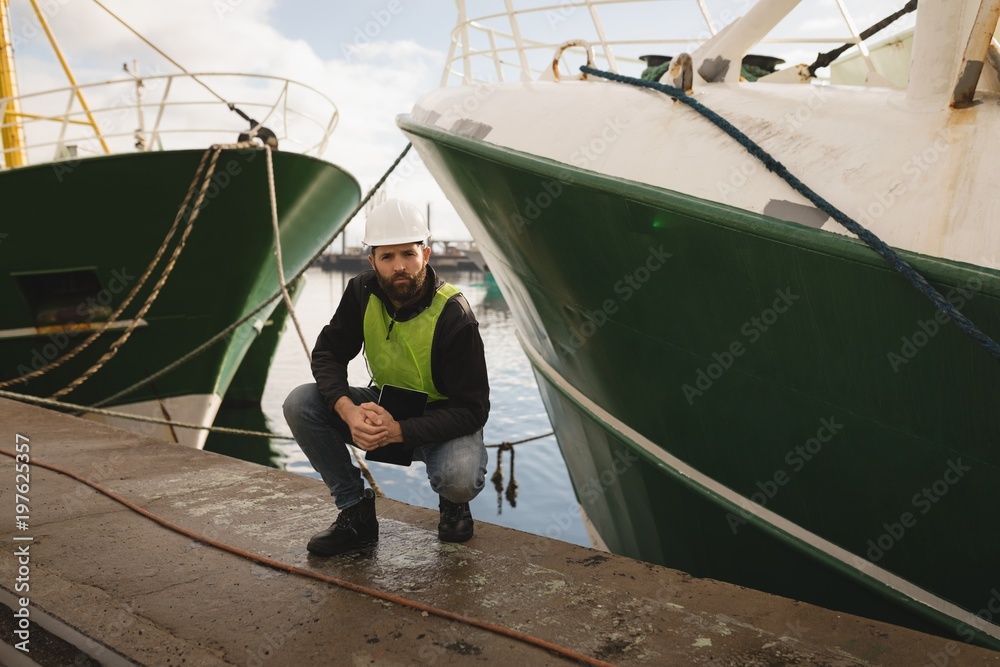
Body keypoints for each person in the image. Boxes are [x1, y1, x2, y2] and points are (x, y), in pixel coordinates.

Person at [283, 199, 490, 556]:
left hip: (444, 418)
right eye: (388, 257)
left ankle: (453, 504)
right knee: (301, 403)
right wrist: (348, 409)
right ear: (372, 261)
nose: (400, 267)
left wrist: (401, 432)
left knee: (459, 477)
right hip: (385, 404)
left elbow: (473, 411)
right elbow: (328, 353)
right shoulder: (361, 292)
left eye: (408, 254)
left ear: (425, 254)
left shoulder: (455, 315)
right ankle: (355, 513)